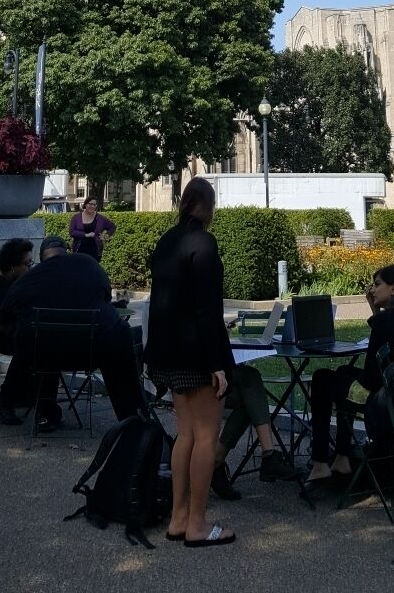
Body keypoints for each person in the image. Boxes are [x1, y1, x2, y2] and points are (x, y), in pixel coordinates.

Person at [145, 176, 236, 548]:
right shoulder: (204, 243)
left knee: (185, 435)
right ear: (207, 206)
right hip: (197, 352)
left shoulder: (167, 241)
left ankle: (178, 518)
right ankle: (197, 523)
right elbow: (206, 308)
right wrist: (217, 361)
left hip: (167, 351)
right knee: (205, 437)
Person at [305, 264, 394, 489]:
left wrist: (377, 318)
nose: (373, 289)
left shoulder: (386, 320)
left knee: (322, 379)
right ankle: (340, 459)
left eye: (378, 284)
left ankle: (321, 462)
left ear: (393, 289)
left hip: (388, 405)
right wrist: (376, 312)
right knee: (342, 374)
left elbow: (370, 378)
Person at [0, 234, 144, 429]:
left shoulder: (28, 279)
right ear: (67, 252)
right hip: (93, 354)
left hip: (43, 355)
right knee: (117, 334)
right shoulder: (89, 264)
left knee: (39, 337)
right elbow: (104, 297)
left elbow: (3, 322)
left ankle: (44, 413)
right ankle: (133, 417)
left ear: (42, 258)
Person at [211, 363, 296, 499]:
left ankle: (216, 461)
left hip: (202, 369)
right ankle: (268, 455)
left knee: (249, 396)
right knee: (250, 380)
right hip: (195, 374)